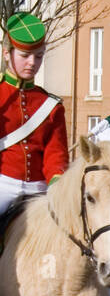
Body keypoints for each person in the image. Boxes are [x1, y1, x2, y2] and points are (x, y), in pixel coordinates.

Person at [0, 12, 67, 218]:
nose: (32, 63)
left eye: (39, 56)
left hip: (39, 189)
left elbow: (56, 154)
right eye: (24, 56)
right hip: (4, 184)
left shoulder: (50, 105)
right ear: (6, 53)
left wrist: (57, 184)